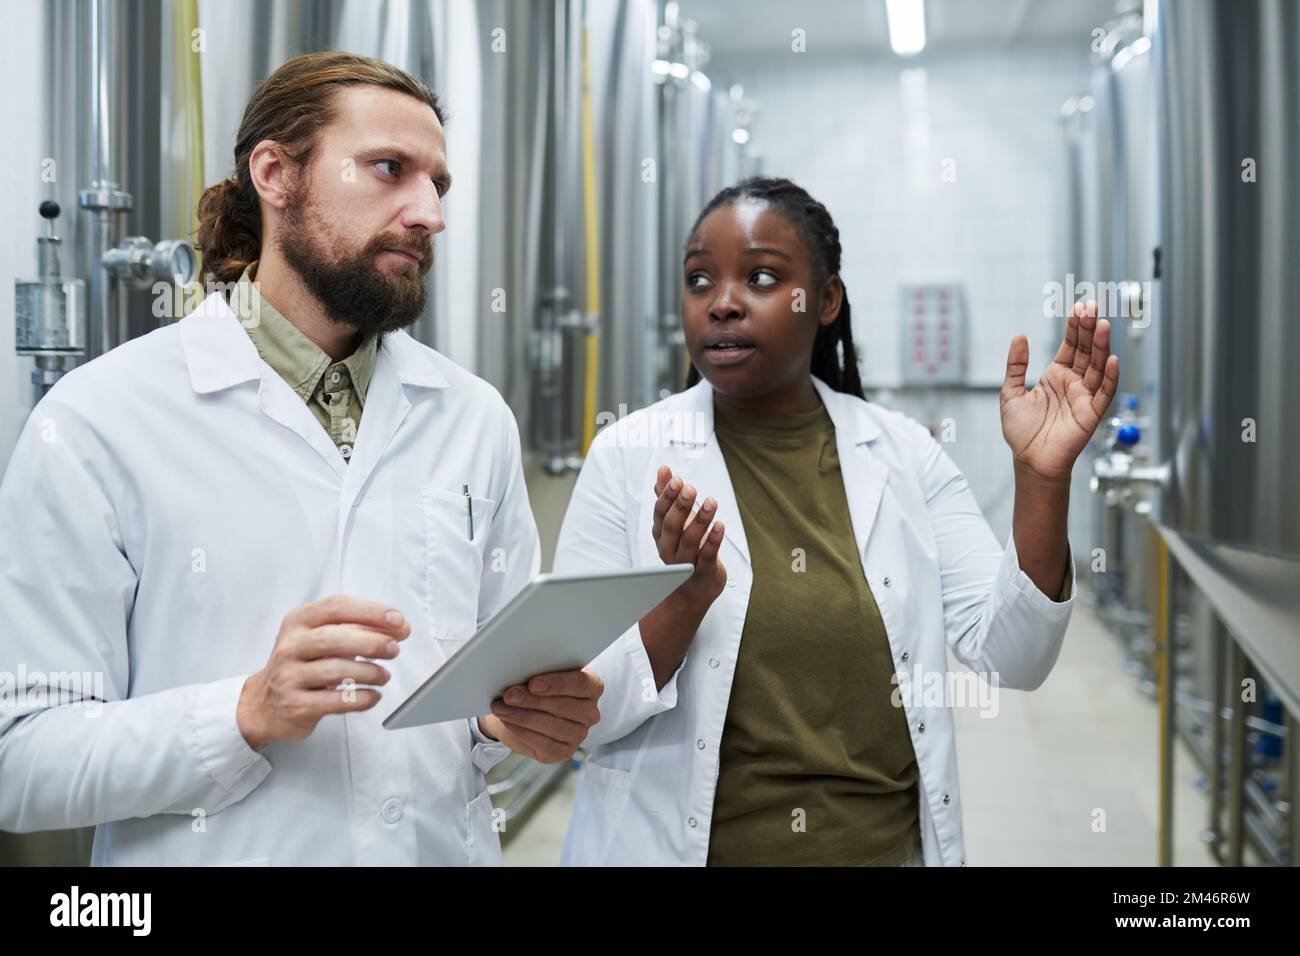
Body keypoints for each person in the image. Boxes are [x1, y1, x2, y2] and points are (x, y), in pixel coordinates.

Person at [0, 51, 602, 865]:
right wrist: (245, 711)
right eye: (390, 169)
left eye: (438, 185)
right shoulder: (96, 422)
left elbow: (478, 710)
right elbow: (22, 760)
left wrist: (509, 722)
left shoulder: (472, 418)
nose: (429, 213)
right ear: (276, 175)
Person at [554, 176, 1117, 866]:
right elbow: (579, 711)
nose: (723, 304)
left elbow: (1015, 657)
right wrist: (684, 600)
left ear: (824, 300)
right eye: (699, 280)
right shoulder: (626, 457)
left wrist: (1041, 479)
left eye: (760, 277)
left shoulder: (905, 453)